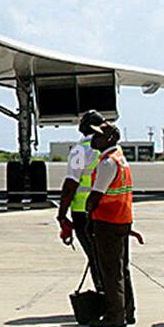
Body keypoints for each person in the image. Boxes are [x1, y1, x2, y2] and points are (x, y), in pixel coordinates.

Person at [84, 123, 137, 327]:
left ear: (109, 138)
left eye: (98, 135)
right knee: (121, 268)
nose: (93, 139)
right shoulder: (121, 159)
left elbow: (96, 195)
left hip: (108, 221)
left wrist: (89, 216)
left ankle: (115, 315)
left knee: (110, 270)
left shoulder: (108, 163)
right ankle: (127, 310)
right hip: (122, 218)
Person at [56, 110, 107, 285]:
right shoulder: (110, 149)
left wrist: (62, 214)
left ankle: (104, 297)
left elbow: (71, 184)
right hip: (108, 211)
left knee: (95, 258)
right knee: (110, 259)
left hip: (83, 212)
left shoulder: (80, 151)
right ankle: (120, 303)